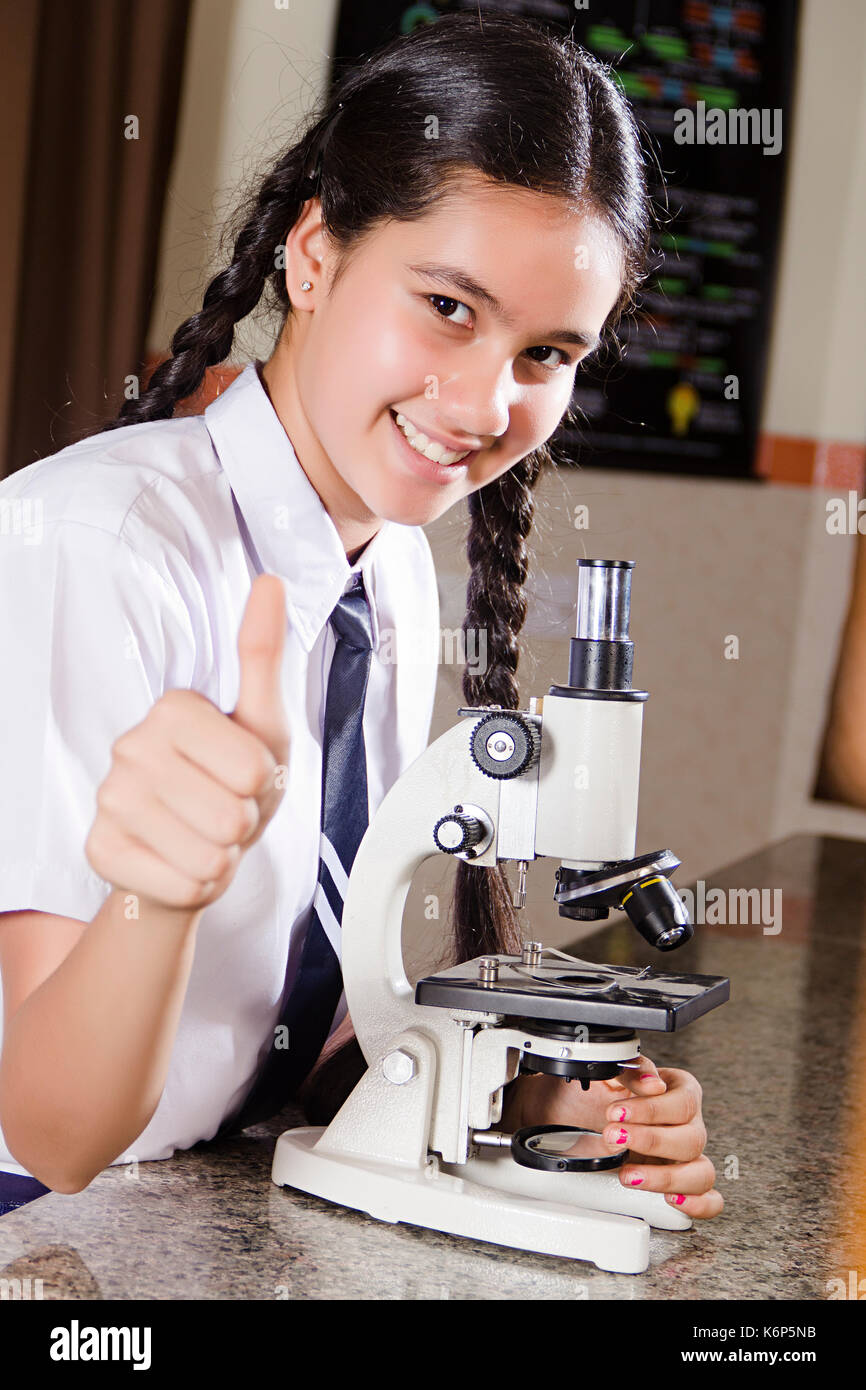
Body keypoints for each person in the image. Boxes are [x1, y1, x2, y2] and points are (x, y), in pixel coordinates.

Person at [0, 11, 722, 1222]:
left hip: (201, 1197)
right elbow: (50, 1127)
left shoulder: (380, 563)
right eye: (448, 306)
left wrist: (537, 1103)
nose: (486, 403)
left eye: (546, 353)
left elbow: (281, 1025)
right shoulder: (90, 547)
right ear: (316, 255)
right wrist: (154, 898)